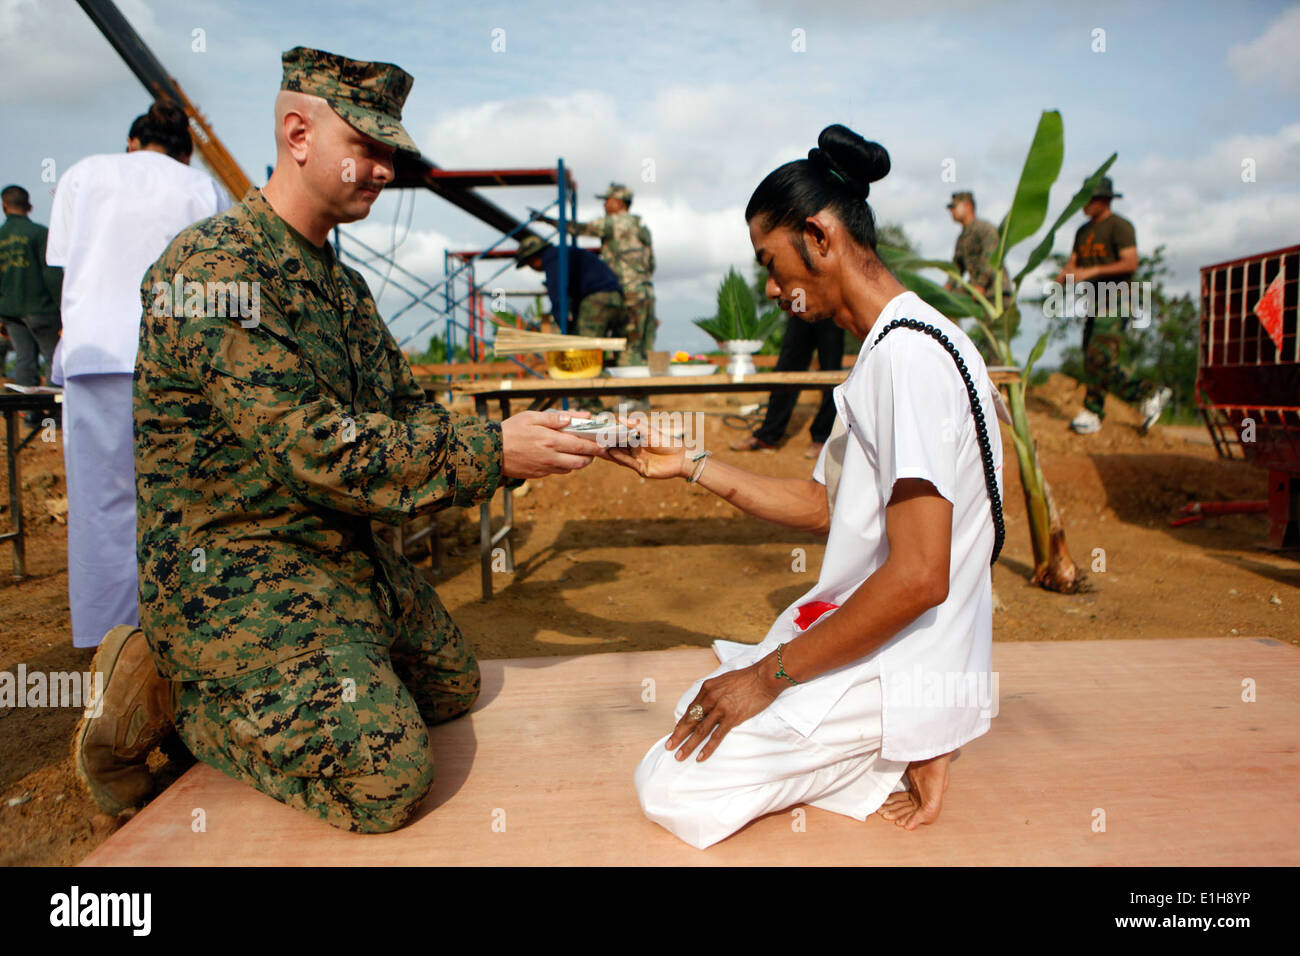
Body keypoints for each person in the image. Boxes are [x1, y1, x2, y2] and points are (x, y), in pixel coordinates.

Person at [72, 47, 602, 831]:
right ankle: (176, 687)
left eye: (390, 151)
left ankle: (291, 681)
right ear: (297, 133)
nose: (385, 169)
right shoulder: (215, 269)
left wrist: (528, 437)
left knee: (453, 687)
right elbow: (322, 450)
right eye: (368, 147)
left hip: (335, 557)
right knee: (384, 778)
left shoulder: (338, 285)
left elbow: (408, 411)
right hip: (237, 573)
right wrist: (492, 451)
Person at [606, 124, 1004, 850]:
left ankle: (900, 746)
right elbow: (825, 505)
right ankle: (898, 738)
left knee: (670, 785)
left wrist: (770, 677)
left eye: (771, 260)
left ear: (817, 237)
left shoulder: (907, 361)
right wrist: (691, 464)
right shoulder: (900, 342)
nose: (769, 285)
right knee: (703, 706)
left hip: (910, 661)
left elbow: (919, 576)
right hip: (901, 646)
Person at [45, 102, 231, 652]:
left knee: (101, 504)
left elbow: (68, 267)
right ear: (186, 150)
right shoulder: (201, 188)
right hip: (175, 356)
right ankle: (183, 634)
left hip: (94, 351)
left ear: (132, 142)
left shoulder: (81, 175)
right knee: (187, 497)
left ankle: (109, 644)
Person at [1054, 176, 1170, 436]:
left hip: (1117, 298)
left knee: (1100, 356)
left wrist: (1093, 270)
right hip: (1094, 300)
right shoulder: (1082, 232)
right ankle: (1102, 408)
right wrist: (1064, 277)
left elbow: (1130, 262)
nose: (1083, 204)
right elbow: (1073, 263)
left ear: (1103, 200)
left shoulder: (1120, 227)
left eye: (1089, 199)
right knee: (1091, 358)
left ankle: (1143, 395)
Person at [539, 182, 656, 366]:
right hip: (646, 294)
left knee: (626, 348)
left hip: (627, 295)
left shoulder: (615, 223)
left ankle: (629, 391)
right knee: (643, 347)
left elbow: (580, 228)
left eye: (607, 201)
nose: (604, 205)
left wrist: (549, 221)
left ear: (619, 203)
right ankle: (642, 391)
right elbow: (651, 264)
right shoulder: (641, 228)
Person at [728, 311, 843, 459]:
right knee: (787, 368)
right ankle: (768, 436)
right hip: (801, 303)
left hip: (830, 305)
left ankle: (822, 438)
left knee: (831, 372)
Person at [0, 185, 63, 423]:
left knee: (25, 359)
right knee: (52, 358)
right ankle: (53, 415)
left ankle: (28, 415)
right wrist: (63, 307)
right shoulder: (39, 233)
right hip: (41, 309)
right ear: (29, 206)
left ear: (4, 206)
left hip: (10, 311)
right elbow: (52, 274)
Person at [945, 190, 1016, 362]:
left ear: (969, 206)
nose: (951, 211)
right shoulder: (962, 237)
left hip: (994, 292)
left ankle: (1002, 383)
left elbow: (990, 260)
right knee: (945, 306)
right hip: (975, 290)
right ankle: (956, 354)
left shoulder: (984, 229)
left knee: (995, 344)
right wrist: (947, 288)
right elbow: (956, 267)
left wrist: (980, 285)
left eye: (955, 207)